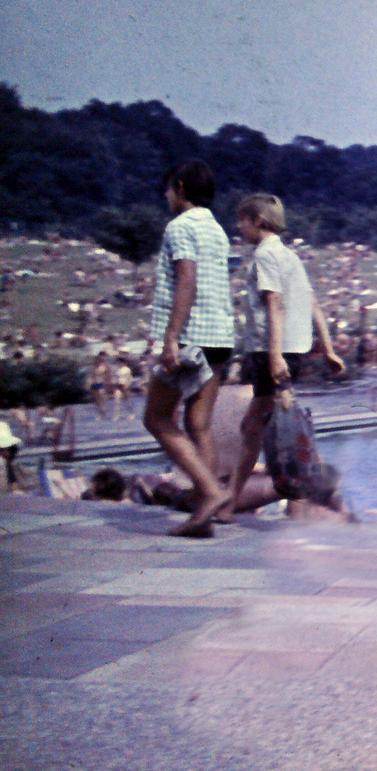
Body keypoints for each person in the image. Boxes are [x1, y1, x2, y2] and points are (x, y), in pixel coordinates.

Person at [224, 194, 346, 518]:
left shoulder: (264, 256)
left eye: (243, 221)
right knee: (268, 423)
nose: (239, 227)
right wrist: (329, 350)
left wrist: (275, 356)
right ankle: (301, 496)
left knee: (261, 425)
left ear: (258, 221)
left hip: (270, 349)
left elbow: (274, 304)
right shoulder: (291, 256)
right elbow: (313, 305)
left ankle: (231, 501)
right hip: (294, 348)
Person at [145, 161, 237, 538]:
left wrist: (171, 337)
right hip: (220, 335)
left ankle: (212, 492)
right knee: (199, 424)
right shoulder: (217, 230)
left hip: (192, 336)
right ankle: (205, 515)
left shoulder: (179, 227)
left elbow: (187, 281)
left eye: (168, 189)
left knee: (156, 418)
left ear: (180, 187)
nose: (167, 197)